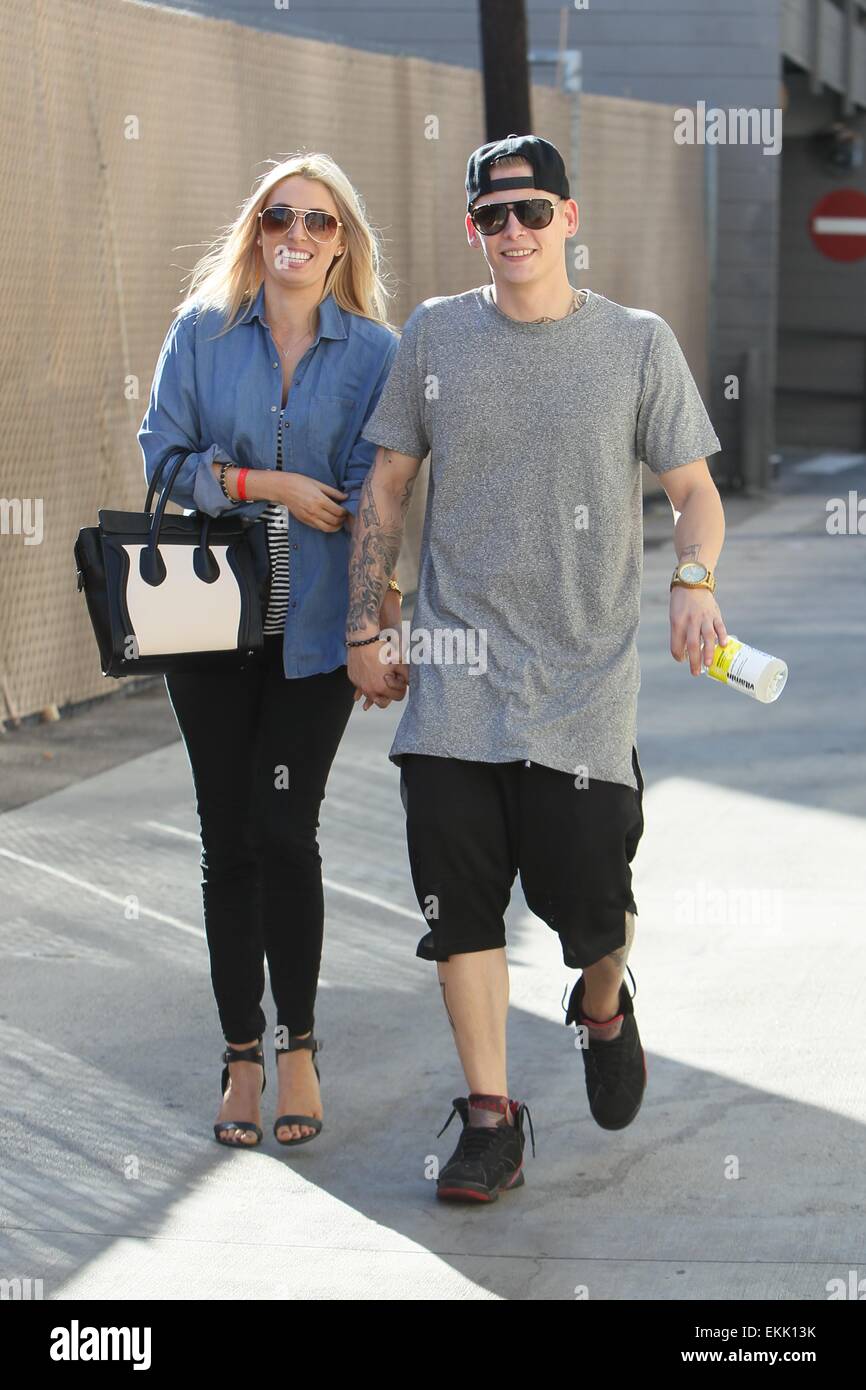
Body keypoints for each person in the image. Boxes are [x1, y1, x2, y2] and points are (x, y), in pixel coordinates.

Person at [346, 133, 727, 1202]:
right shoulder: (430, 336)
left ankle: (602, 1001)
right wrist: (365, 623)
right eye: (489, 216)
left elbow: (692, 492)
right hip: (454, 676)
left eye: (529, 210)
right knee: (456, 906)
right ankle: (489, 1118)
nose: (509, 231)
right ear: (472, 229)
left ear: (568, 217)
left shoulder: (635, 344)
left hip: (580, 685)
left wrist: (691, 579)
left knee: (584, 906)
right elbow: (384, 486)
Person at [138, 152, 404, 1149]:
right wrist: (262, 487)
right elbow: (162, 452)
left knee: (284, 830)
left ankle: (299, 1042)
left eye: (320, 222)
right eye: (279, 215)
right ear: (256, 229)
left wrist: (375, 619)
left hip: (313, 637)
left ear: (343, 245)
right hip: (205, 631)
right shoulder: (201, 335)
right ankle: (239, 1057)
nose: (297, 232)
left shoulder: (374, 352)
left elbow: (373, 489)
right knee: (227, 841)